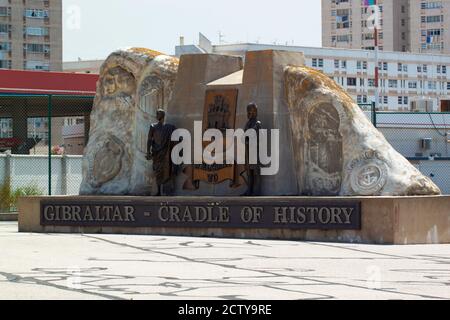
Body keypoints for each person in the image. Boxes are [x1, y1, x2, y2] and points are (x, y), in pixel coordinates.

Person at [147, 109, 176, 196]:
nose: (156, 115)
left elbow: (175, 136)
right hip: (156, 152)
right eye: (156, 114)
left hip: (165, 153)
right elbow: (149, 139)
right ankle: (159, 191)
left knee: (166, 170)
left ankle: (165, 190)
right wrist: (148, 151)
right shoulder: (153, 126)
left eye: (158, 114)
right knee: (157, 170)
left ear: (162, 115)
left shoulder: (169, 127)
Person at [243, 102, 262, 196]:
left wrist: (250, 140)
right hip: (247, 151)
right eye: (248, 112)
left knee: (255, 172)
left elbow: (259, 138)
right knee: (249, 173)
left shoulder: (257, 124)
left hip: (255, 151)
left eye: (250, 112)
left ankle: (256, 192)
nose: (249, 114)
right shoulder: (248, 123)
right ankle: (249, 190)